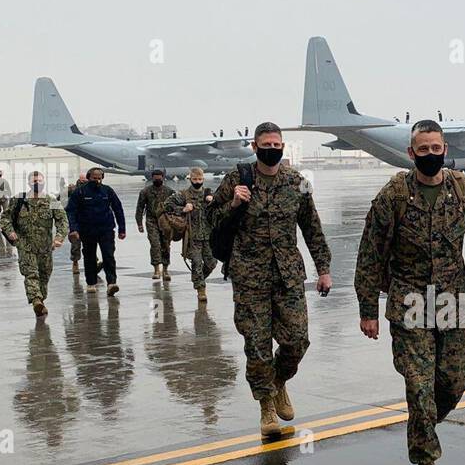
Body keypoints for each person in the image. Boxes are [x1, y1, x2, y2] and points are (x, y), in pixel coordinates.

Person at [354, 120, 465, 465]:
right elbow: (370, 253)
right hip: (409, 304)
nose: (431, 156)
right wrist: (367, 307)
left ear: (445, 149)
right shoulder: (394, 195)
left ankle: (421, 427)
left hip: (452, 301)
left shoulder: (463, 190)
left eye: (437, 149)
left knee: (454, 383)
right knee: (420, 387)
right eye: (424, 150)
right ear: (411, 153)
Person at [205, 123, 331, 436]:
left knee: (297, 340)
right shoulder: (238, 178)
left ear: (283, 146)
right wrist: (233, 203)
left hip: (288, 275)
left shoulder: (296, 182)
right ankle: (266, 408)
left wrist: (324, 268)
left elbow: (312, 228)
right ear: (254, 146)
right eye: (266, 143)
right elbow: (210, 220)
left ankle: (279, 381)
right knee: (257, 346)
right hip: (250, 277)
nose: (272, 148)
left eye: (277, 143)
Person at [0, 170, 67, 317]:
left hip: (45, 246)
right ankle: (36, 300)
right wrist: (11, 232)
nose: (37, 183)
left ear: (44, 182)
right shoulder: (18, 200)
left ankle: (40, 299)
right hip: (25, 245)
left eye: (40, 181)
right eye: (34, 181)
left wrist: (59, 237)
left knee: (44, 274)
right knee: (31, 274)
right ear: (29, 183)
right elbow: (4, 218)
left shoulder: (52, 201)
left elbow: (62, 221)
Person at [65, 167, 126, 296]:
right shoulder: (80, 192)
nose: (97, 181)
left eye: (99, 178)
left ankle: (112, 283)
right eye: (94, 178)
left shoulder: (107, 191)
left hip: (106, 229)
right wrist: (74, 229)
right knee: (89, 257)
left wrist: (122, 228)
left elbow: (118, 208)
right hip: (87, 230)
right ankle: (91, 283)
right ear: (88, 178)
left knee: (109, 256)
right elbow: (71, 211)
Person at [164, 166, 216, 302]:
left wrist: (213, 201)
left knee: (211, 263)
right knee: (197, 263)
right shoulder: (184, 195)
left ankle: (198, 279)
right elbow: (167, 206)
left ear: (203, 179)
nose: (197, 181)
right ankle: (201, 290)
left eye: (200, 179)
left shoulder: (208, 194)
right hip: (193, 237)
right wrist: (183, 209)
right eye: (195, 179)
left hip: (209, 236)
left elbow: (221, 206)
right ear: (190, 179)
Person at [135, 168, 175, 281]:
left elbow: (176, 206)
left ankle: (166, 269)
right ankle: (156, 269)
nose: (158, 179)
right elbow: (140, 208)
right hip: (151, 220)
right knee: (155, 244)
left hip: (165, 221)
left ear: (163, 177)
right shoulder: (145, 192)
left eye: (159, 177)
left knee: (166, 245)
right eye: (155, 177)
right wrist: (139, 224)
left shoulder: (169, 191)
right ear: (152, 178)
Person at [65, 175, 84, 272]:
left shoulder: (92, 190)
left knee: (91, 244)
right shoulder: (73, 190)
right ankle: (75, 262)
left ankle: (94, 261)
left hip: (89, 221)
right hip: (75, 222)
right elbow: (59, 200)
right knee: (76, 244)